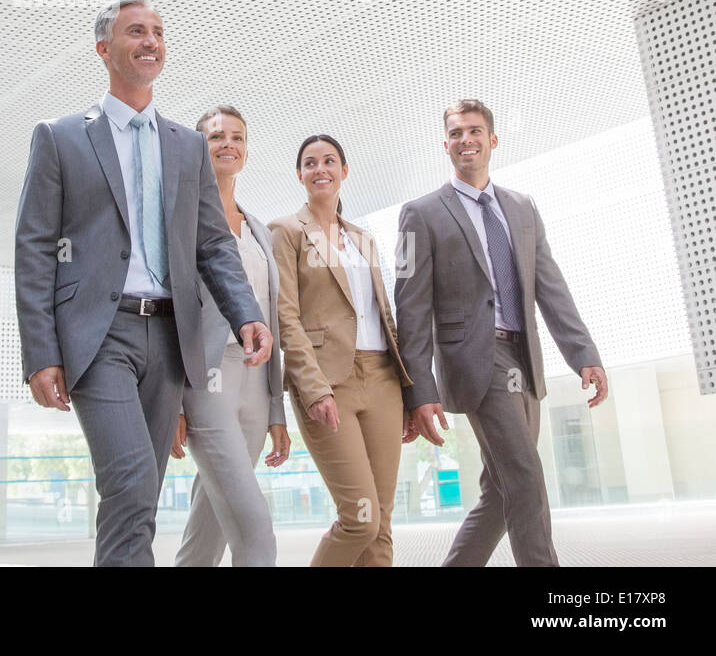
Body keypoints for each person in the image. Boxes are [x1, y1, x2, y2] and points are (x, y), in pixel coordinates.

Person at [14, 0, 273, 567]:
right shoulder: (59, 137)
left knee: (143, 494)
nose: (151, 40)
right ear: (105, 49)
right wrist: (40, 353)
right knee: (129, 483)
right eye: (136, 31)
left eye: (157, 31)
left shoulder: (185, 145)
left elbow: (211, 244)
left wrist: (246, 312)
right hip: (97, 336)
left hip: (169, 340)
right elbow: (34, 248)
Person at [395, 99, 609, 566]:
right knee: (526, 478)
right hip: (475, 361)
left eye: (474, 131)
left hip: (524, 359)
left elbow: (550, 287)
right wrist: (418, 389)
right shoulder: (420, 213)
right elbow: (410, 308)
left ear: (492, 140)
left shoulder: (522, 207)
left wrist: (583, 353)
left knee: (502, 490)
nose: (465, 139)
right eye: (455, 133)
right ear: (445, 144)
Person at [271, 134, 415, 566]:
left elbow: (384, 315)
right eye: (311, 163)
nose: (321, 170)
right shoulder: (286, 231)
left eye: (330, 161)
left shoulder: (363, 238)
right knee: (359, 518)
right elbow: (286, 316)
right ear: (300, 175)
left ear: (344, 171)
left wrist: (409, 390)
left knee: (382, 521)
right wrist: (313, 389)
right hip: (329, 381)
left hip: (383, 380)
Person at [171, 106, 290, 567]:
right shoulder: (179, 221)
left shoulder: (260, 230)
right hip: (207, 377)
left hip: (257, 383)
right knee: (254, 525)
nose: (228, 144)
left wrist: (277, 409)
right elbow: (172, 310)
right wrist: (174, 400)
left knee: (211, 522)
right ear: (198, 147)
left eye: (237, 137)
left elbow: (273, 318)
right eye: (216, 136)